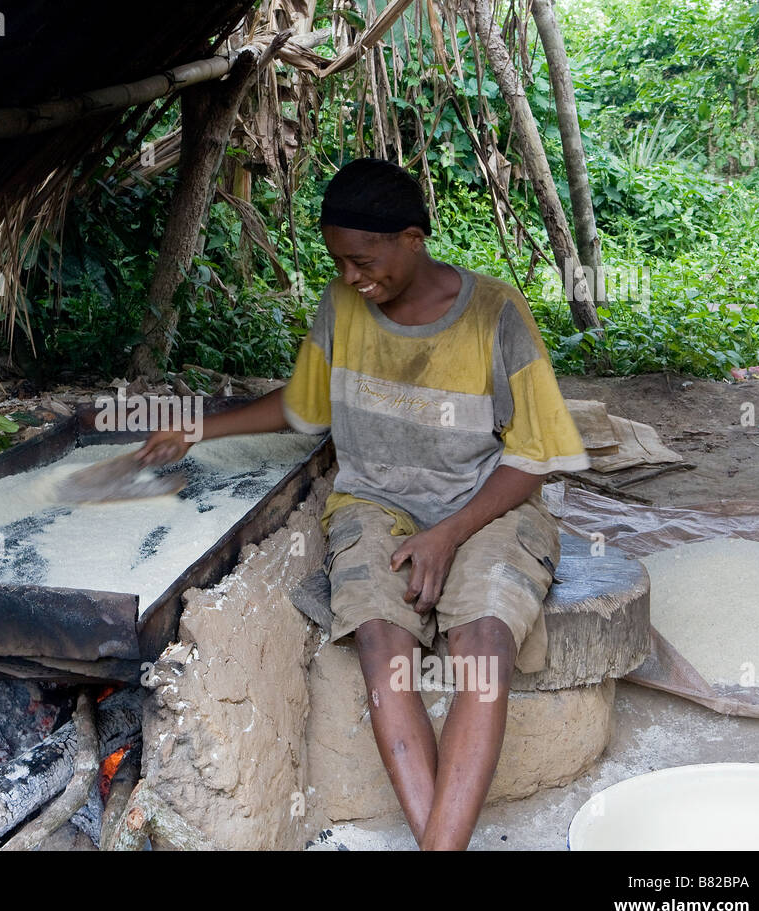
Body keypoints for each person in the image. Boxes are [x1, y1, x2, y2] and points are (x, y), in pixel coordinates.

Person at [136, 157, 589, 850]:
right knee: (382, 641)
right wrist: (195, 427)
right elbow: (301, 408)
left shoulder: (495, 313)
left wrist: (449, 535)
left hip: (488, 506)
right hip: (373, 506)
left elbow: (533, 455)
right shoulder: (343, 307)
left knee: (486, 643)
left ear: (412, 238)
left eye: (362, 259)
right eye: (339, 262)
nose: (350, 278)